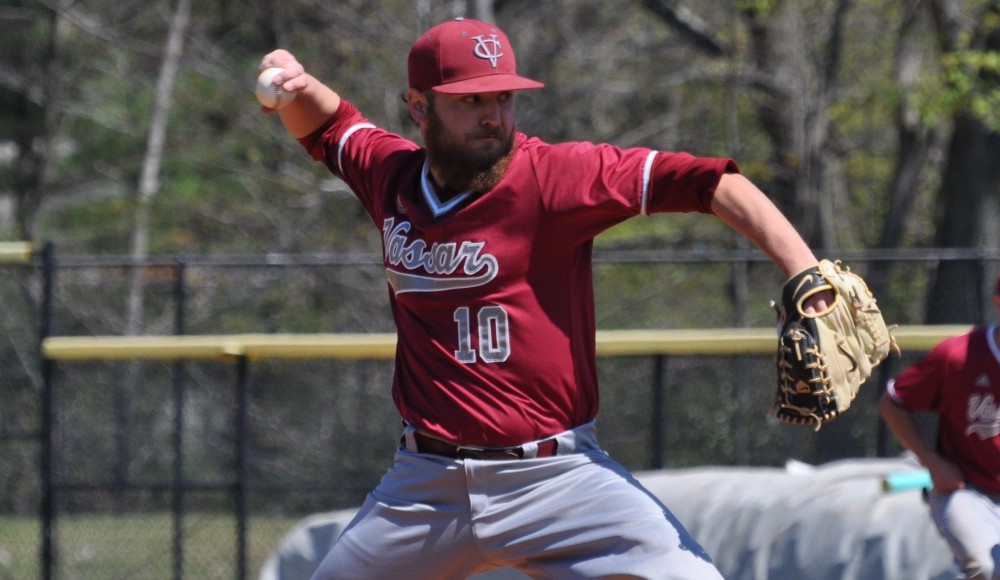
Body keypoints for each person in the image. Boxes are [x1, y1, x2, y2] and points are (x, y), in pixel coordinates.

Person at [259, 17, 830, 579]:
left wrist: (805, 272)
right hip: (424, 485)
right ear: (419, 106)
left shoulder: (557, 177)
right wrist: (294, 82)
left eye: (504, 97)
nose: (493, 115)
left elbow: (712, 183)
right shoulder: (391, 177)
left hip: (559, 481)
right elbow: (332, 126)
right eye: (471, 100)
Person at [879, 273, 1000, 580]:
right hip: (969, 491)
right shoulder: (959, 356)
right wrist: (931, 461)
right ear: (998, 303)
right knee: (988, 568)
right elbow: (893, 404)